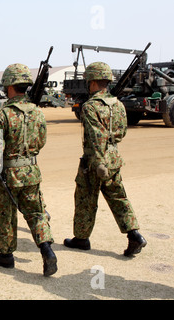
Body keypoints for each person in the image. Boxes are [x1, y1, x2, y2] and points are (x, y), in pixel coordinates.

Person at [64, 62, 147, 256]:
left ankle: (81, 239)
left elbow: (95, 136)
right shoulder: (118, 104)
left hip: (95, 160)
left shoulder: (90, 106)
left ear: (92, 81)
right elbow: (122, 132)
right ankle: (134, 235)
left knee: (85, 199)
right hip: (114, 157)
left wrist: (98, 162)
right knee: (118, 197)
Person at [0, 63, 57, 277]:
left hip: (9, 175)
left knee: (6, 215)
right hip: (32, 171)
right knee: (36, 213)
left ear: (9, 86)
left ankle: (6, 255)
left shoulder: (4, 114)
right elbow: (41, 141)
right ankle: (47, 250)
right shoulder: (38, 112)